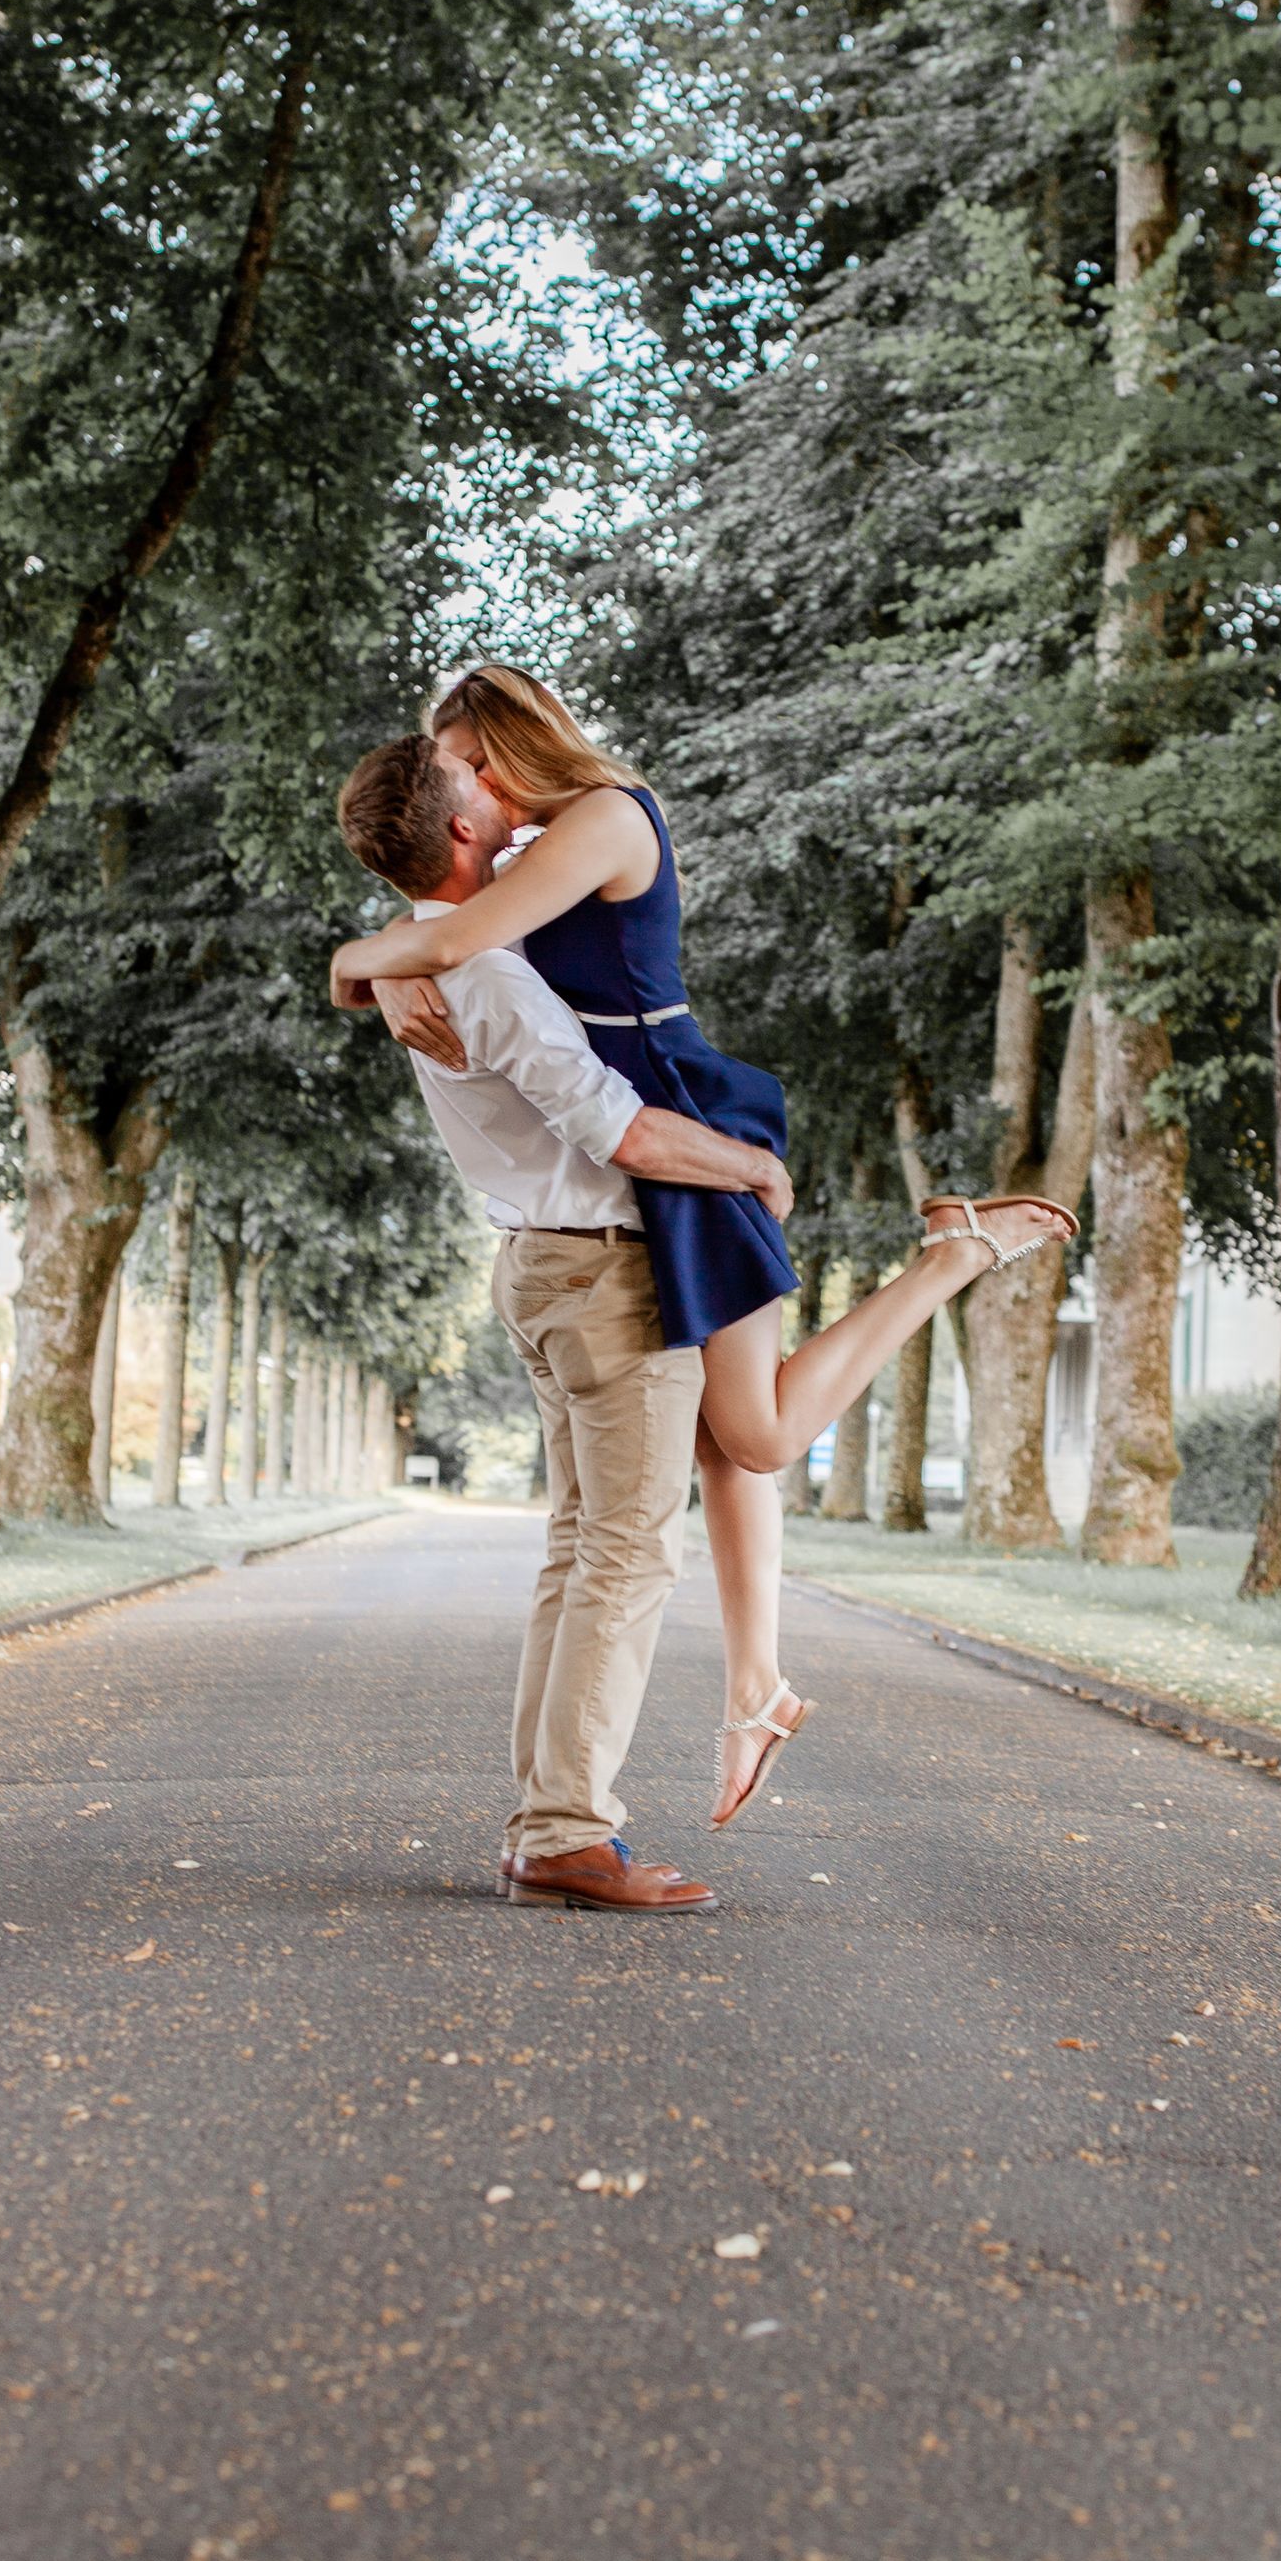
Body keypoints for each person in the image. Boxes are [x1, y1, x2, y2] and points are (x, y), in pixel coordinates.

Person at [332, 671, 1075, 1824]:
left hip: (679, 1117)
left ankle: (950, 1260)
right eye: (457, 773)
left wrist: (360, 966)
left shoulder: (603, 816)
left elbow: (461, 933)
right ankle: (753, 1688)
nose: (472, 788)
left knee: (754, 1436)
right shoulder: (522, 842)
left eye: (475, 762)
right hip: (635, 1142)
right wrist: (384, 966)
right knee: (731, 1438)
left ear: (519, 746)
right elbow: (445, 917)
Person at [333, 731, 799, 1913]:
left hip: (539, 1268)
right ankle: (565, 1834)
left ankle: (548, 1821)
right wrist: (748, 1165)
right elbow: (620, 1130)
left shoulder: (432, 958)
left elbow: (413, 938)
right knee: (626, 1552)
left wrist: (372, 957)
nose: (499, 801)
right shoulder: (482, 973)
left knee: (577, 1551)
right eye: (476, 791)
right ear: (456, 831)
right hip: (602, 1272)